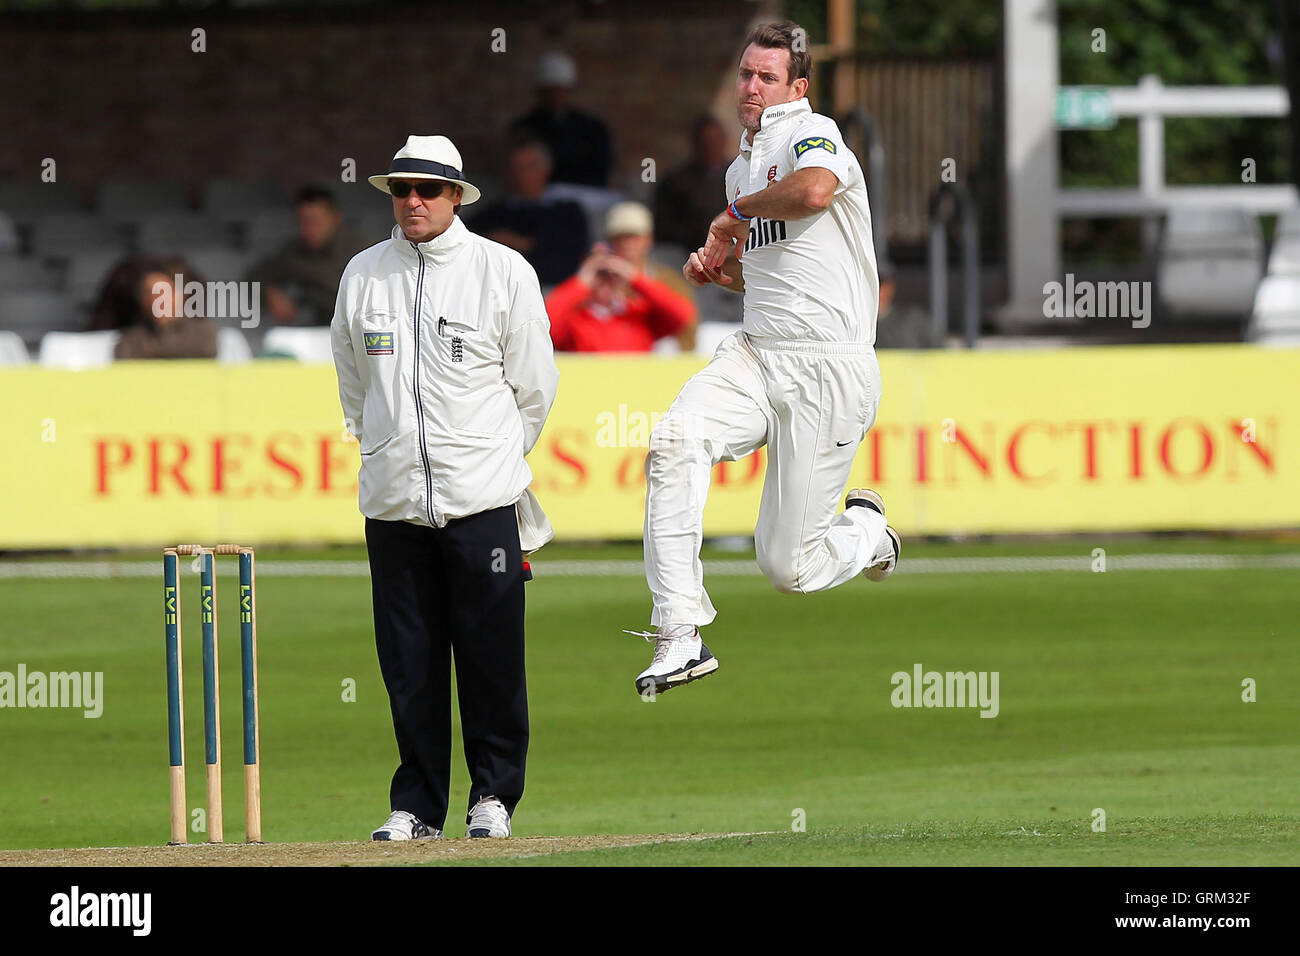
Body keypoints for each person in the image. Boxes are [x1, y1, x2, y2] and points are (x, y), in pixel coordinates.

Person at [630, 20, 901, 696]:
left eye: (767, 76)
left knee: (789, 569)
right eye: (746, 73)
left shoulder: (815, 136)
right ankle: (679, 635)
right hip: (758, 353)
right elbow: (780, 271)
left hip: (830, 368)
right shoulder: (741, 165)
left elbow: (812, 191)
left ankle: (867, 533)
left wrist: (728, 218)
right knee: (673, 443)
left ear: (797, 87)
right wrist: (726, 276)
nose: (751, 86)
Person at [331, 135, 559, 840]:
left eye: (428, 190)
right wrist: (386, 453)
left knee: (491, 658)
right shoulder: (364, 274)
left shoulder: (503, 272)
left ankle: (493, 796)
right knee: (409, 664)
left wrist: (487, 464)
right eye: (402, 190)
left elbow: (534, 389)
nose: (413, 202)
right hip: (394, 503)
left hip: (481, 504)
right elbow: (351, 381)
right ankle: (417, 806)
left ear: (457, 196)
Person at [545, 202, 696, 352]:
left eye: (634, 237)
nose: (627, 245)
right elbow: (544, 327)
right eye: (620, 238)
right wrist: (582, 281)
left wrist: (633, 278)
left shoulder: (636, 314)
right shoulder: (576, 318)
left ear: (648, 239)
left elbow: (682, 315)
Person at [465, 139, 589, 286]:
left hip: (554, 289)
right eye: (518, 168)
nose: (524, 174)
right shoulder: (497, 211)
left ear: (547, 169)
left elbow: (569, 255)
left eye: (531, 166)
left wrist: (522, 243)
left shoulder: (567, 211)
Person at [249, 185, 369, 325]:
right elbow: (256, 275)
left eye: (316, 222)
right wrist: (270, 294)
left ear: (335, 218)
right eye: (304, 222)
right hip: (318, 330)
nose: (309, 229)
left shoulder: (362, 250)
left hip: (359, 327)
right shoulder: (295, 251)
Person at [508, 52, 613, 188]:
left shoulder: (593, 127)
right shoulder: (525, 127)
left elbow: (601, 167)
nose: (555, 96)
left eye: (561, 90)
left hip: (587, 192)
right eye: (550, 90)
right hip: (543, 192)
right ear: (540, 91)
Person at [90, 255, 219, 360]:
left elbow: (206, 350)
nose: (155, 299)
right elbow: (123, 355)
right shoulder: (133, 337)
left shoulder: (203, 331)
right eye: (148, 293)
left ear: (181, 294)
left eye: (163, 291)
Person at [653, 116, 734, 252]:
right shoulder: (676, 182)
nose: (711, 147)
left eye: (715, 141)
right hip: (691, 252)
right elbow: (663, 226)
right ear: (695, 144)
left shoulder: (738, 175)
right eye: (705, 143)